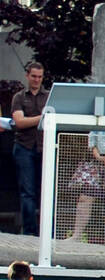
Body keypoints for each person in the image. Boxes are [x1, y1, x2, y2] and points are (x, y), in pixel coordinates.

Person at [64, 131, 105, 246]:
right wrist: (98, 156)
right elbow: (92, 137)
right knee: (85, 197)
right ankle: (76, 236)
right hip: (96, 162)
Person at [9, 61, 49, 236]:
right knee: (28, 192)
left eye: (40, 77)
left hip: (44, 147)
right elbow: (19, 122)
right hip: (24, 146)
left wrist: (31, 120)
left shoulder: (48, 96)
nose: (37, 80)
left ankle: (46, 232)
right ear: (27, 76)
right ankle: (29, 233)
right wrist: (42, 118)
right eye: (34, 76)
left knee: (47, 190)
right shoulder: (19, 97)